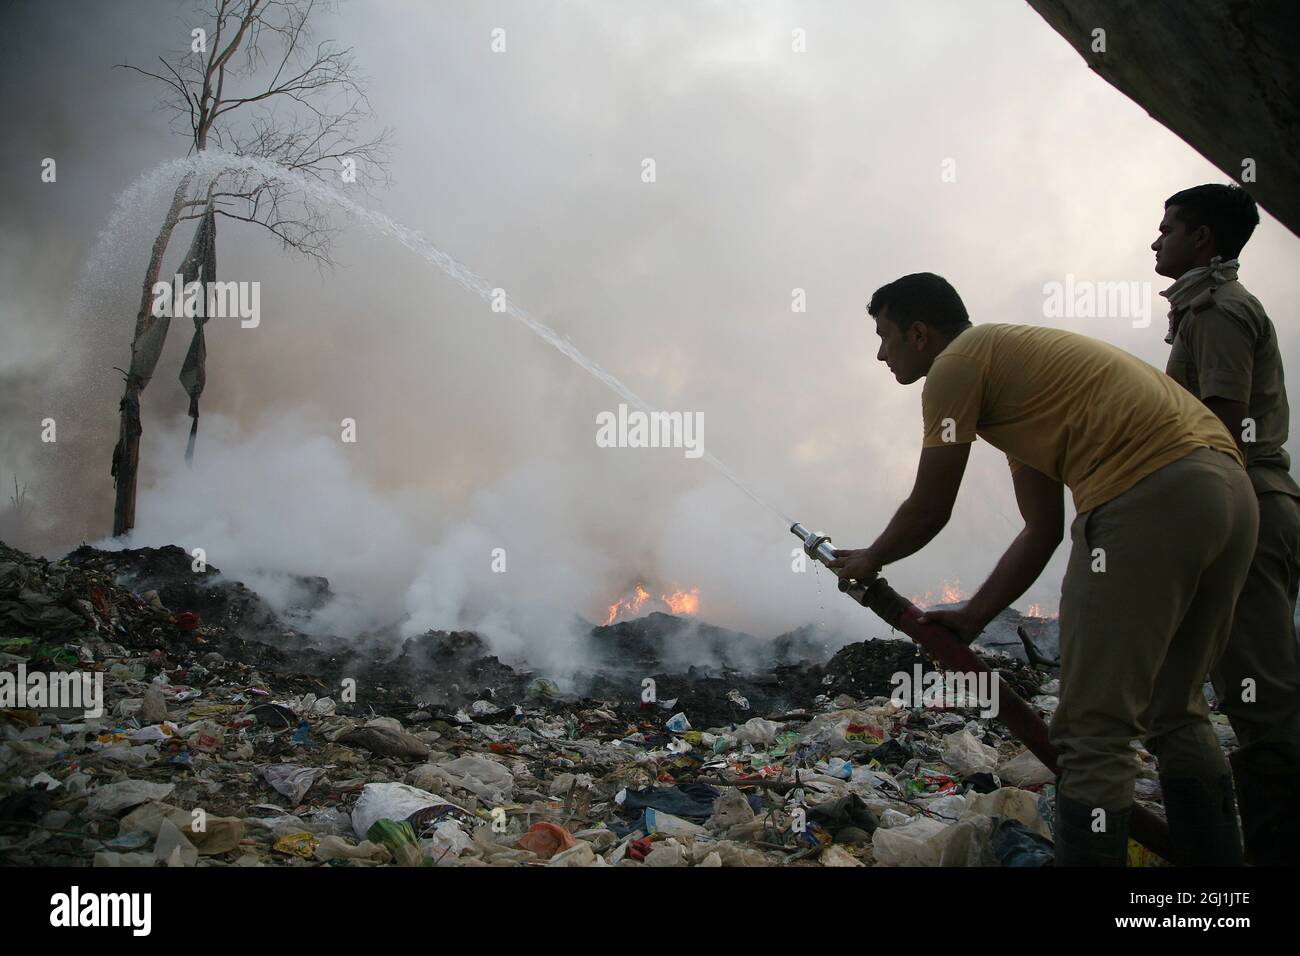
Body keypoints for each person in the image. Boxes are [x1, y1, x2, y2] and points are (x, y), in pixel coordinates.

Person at [829, 272, 1257, 865]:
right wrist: (974, 616)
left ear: (920, 334)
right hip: (1229, 492)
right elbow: (1042, 529)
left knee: (1090, 736)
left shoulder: (954, 367)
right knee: (1176, 707)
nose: (879, 352)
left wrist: (870, 557)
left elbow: (931, 507)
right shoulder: (1011, 369)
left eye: (883, 336)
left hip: (1147, 492)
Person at [1154, 183, 1300, 865]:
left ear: (1203, 239)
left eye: (1169, 230)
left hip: (1246, 505)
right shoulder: (1202, 308)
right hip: (1252, 503)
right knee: (1250, 691)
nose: (1157, 242)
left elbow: (1220, 430)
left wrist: (1201, 532)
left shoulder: (1215, 310)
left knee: (1264, 701)